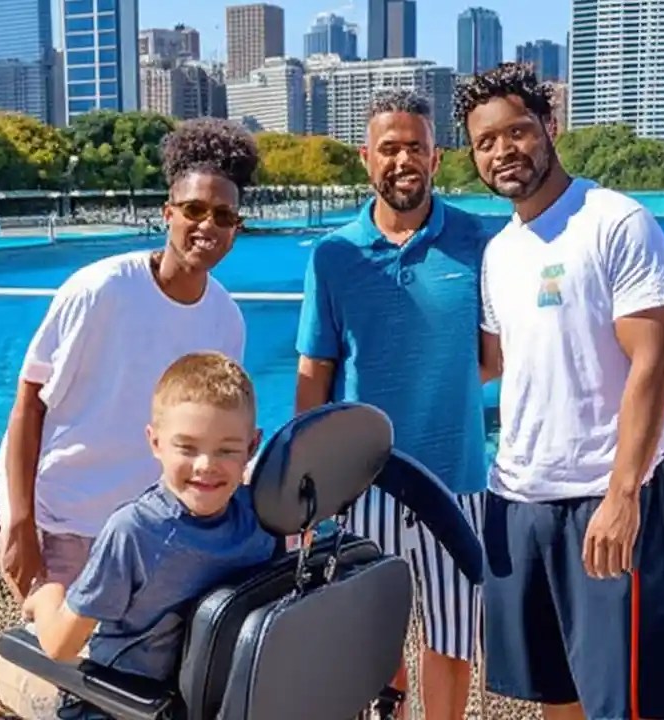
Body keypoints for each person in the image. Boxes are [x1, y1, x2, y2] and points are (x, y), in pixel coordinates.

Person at [454, 62, 664, 720]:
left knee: (630, 701)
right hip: (519, 496)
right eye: (486, 141)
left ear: (550, 128)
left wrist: (623, 495)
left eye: (518, 132)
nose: (503, 151)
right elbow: (492, 361)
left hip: (603, 494)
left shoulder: (616, 221)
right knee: (552, 694)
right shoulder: (500, 251)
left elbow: (655, 358)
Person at [0, 118, 261, 604]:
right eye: (193, 209)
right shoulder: (100, 290)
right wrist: (21, 523)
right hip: (56, 520)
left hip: (139, 534)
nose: (207, 226)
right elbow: (28, 405)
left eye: (223, 216)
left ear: (236, 228)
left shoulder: (226, 320)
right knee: (54, 666)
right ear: (166, 212)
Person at [294, 88, 490, 720]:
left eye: (415, 148)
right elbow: (315, 372)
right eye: (389, 148)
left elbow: (494, 356)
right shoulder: (334, 256)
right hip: (361, 488)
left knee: (452, 638)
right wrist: (306, 482)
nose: (402, 160)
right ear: (366, 158)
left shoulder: (478, 242)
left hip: (455, 482)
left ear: (437, 159)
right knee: (368, 638)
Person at [0, 351, 280, 720]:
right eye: (188, 448)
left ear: (153, 441)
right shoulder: (262, 520)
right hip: (202, 705)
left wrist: (47, 596)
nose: (205, 464)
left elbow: (60, 645)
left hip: (112, 705)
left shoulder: (135, 531)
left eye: (224, 450)